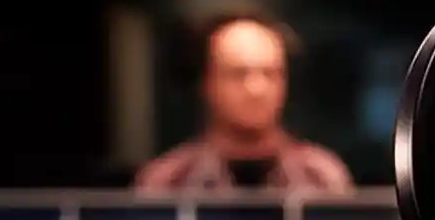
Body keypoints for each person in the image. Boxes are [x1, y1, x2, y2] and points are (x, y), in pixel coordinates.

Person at [134, 10, 353, 192]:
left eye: (270, 73)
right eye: (238, 74)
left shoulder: (323, 178)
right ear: (206, 82)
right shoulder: (167, 182)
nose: (256, 89)